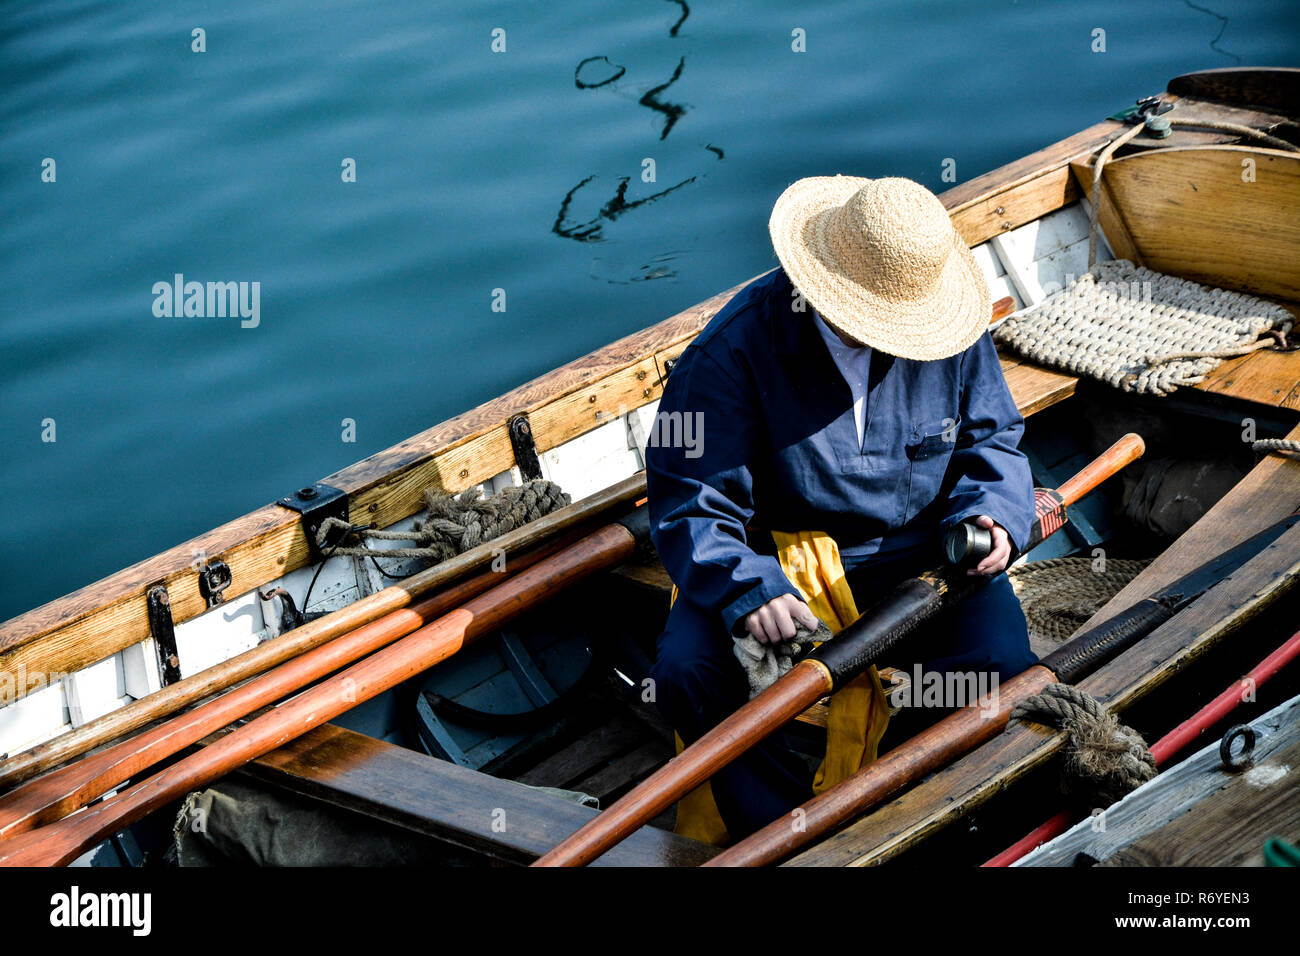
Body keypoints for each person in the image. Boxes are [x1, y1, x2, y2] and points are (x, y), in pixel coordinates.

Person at [644, 176, 1038, 838]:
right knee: (687, 671)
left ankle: (937, 803)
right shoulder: (731, 355)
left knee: (1002, 668)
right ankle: (786, 832)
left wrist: (994, 513)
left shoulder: (950, 329)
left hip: (924, 560)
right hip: (781, 562)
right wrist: (746, 587)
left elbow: (992, 440)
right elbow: (691, 500)